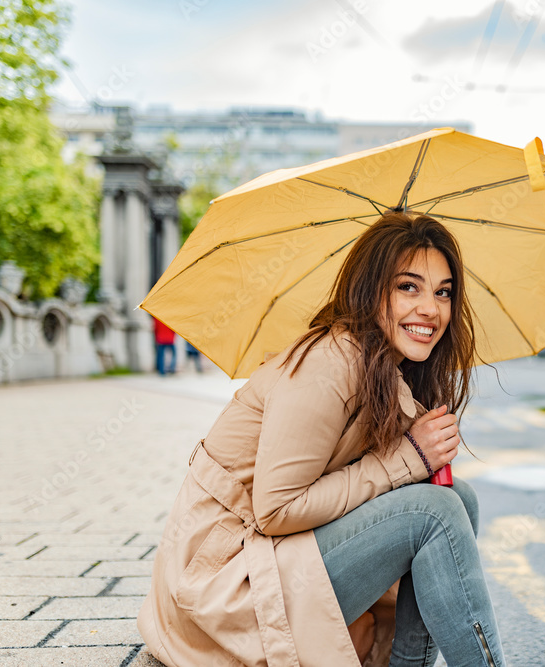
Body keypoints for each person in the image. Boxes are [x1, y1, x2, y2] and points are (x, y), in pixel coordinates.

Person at [137, 212, 505, 667]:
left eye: (442, 292)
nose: (430, 308)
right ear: (370, 290)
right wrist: (405, 460)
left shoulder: (384, 372)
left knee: (455, 500)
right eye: (408, 286)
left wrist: (416, 453)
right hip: (222, 590)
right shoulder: (327, 363)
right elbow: (276, 509)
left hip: (270, 562)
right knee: (437, 513)